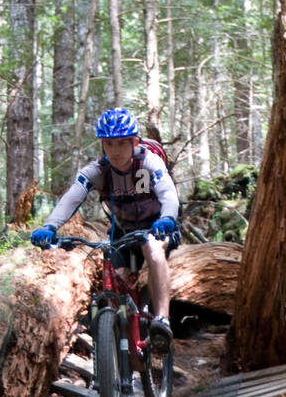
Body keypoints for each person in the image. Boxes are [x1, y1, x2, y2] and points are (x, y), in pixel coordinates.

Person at [31, 108, 180, 349]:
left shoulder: (148, 161)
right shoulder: (98, 170)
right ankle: (121, 348)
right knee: (114, 279)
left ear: (134, 141)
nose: (115, 151)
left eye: (122, 143)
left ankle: (162, 320)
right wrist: (49, 226)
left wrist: (167, 219)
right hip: (124, 230)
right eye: (109, 144)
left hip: (158, 225)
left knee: (152, 249)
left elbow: (168, 194)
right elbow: (71, 197)